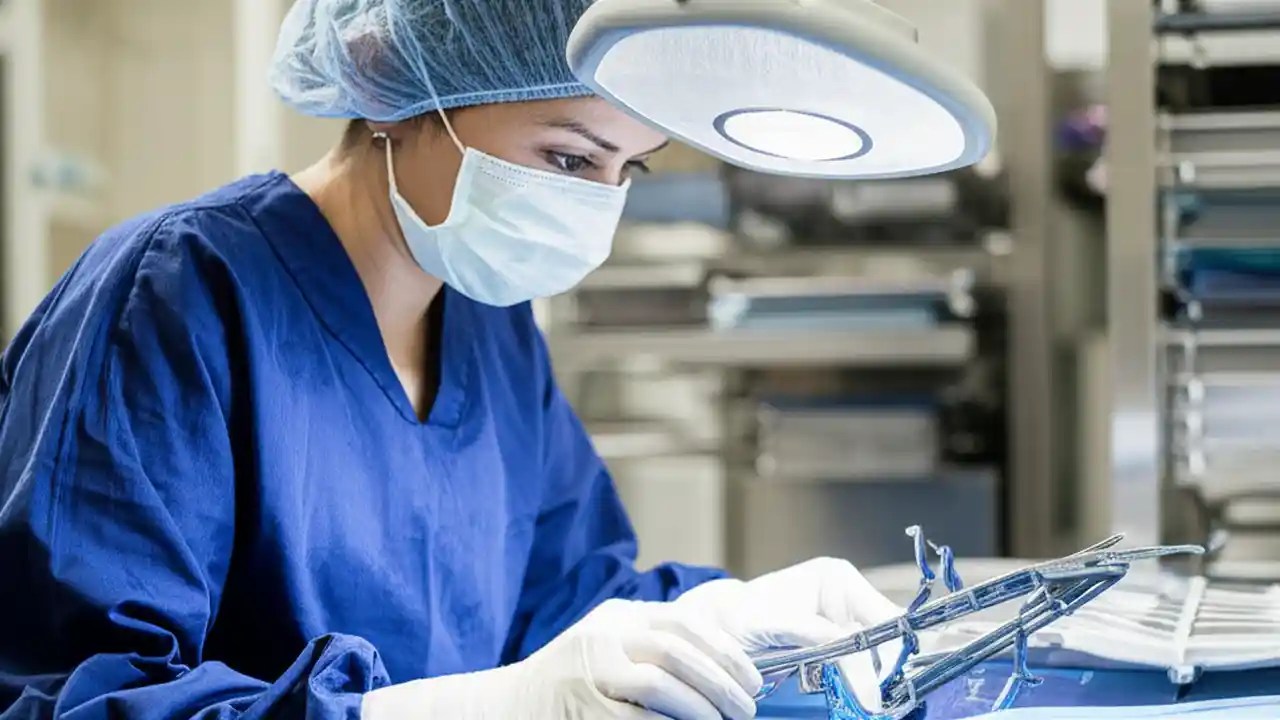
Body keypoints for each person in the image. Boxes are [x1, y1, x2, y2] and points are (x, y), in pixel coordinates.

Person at [0, 1, 902, 718]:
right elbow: (76, 697)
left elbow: (565, 603)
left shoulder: (490, 328)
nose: (597, 207)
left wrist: (729, 620)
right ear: (398, 77)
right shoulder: (176, 294)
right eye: (569, 156)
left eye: (630, 170)